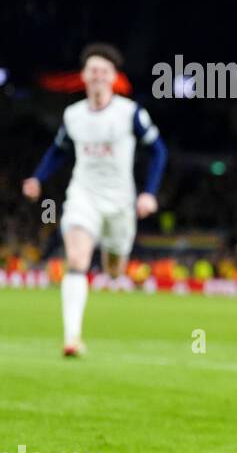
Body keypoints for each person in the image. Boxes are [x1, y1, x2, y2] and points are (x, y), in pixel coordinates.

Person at [21, 43, 167, 355]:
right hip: (82, 195)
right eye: (93, 70)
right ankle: (72, 338)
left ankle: (113, 264)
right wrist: (38, 178)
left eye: (104, 71)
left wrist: (149, 193)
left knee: (114, 268)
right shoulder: (73, 115)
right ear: (84, 76)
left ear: (114, 77)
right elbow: (59, 150)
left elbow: (158, 150)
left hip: (120, 203)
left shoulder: (131, 113)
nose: (98, 76)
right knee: (76, 260)